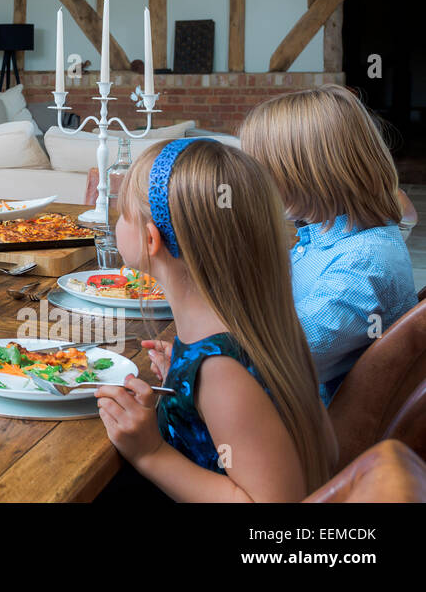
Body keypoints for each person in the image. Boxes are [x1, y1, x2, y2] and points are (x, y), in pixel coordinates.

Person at [94, 139, 337, 502]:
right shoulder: (255, 330)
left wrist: (150, 452)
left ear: (150, 239)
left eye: (123, 213)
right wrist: (185, 387)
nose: (117, 222)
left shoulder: (221, 369)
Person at [240, 85, 416, 404]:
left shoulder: (363, 262)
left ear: (306, 174)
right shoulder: (326, 241)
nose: (252, 181)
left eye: (260, 169)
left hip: (301, 434)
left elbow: (279, 362)